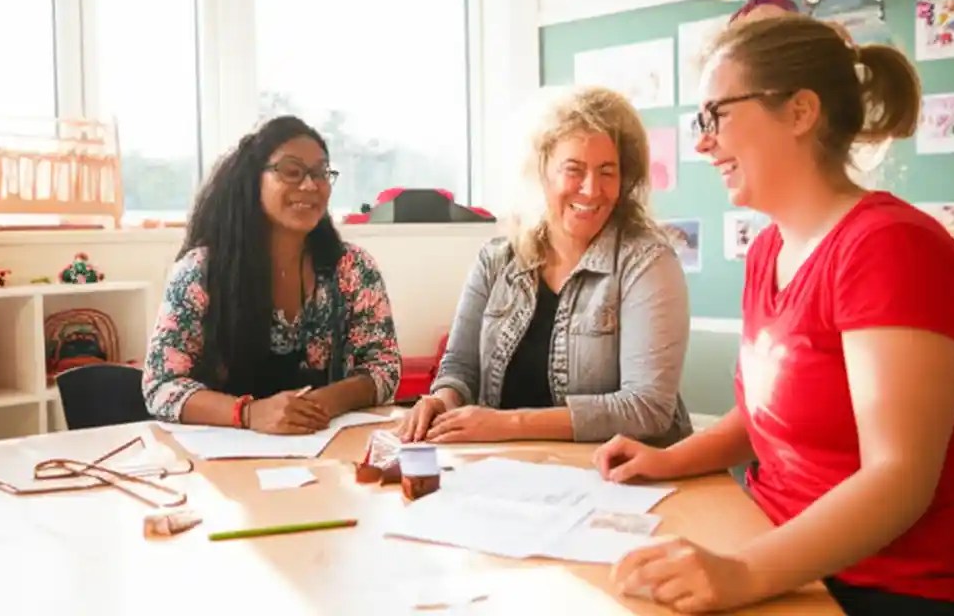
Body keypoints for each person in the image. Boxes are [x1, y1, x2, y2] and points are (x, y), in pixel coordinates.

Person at [594, 16, 954, 614]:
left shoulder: (890, 249)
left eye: (715, 116)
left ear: (800, 112)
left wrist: (742, 574)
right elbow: (763, 417)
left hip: (916, 589)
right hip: (793, 554)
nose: (702, 142)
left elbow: (899, 478)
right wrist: (670, 459)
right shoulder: (771, 249)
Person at [397, 85, 693, 446]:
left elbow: (647, 409)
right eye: (574, 169)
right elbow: (460, 369)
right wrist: (441, 401)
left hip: (617, 476)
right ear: (541, 171)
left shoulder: (648, 263)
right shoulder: (495, 260)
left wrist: (507, 424)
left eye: (607, 172)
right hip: (511, 470)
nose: (591, 189)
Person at [142, 116, 401, 434]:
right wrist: (249, 414)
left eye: (321, 173)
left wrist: (317, 405)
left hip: (323, 445)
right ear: (254, 180)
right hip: (222, 454)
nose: (310, 185)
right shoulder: (201, 273)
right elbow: (161, 386)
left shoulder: (352, 268)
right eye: (292, 172)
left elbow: (383, 367)